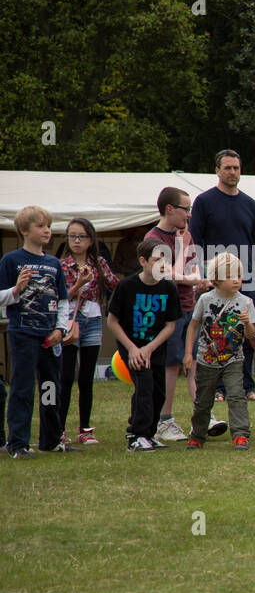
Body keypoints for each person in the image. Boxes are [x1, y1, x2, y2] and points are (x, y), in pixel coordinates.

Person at [188, 149, 255, 401]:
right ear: (217, 170)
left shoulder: (249, 204)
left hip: (245, 280)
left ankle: (247, 386)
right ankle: (218, 388)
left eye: (236, 167)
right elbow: (196, 241)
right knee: (216, 335)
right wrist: (202, 275)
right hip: (215, 281)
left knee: (247, 334)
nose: (232, 172)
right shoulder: (204, 202)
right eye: (227, 168)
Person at [0, 205, 72, 458]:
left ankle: (51, 440)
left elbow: (63, 300)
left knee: (51, 387)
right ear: (23, 230)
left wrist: (61, 329)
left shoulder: (53, 263)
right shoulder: (11, 260)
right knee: (23, 387)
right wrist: (16, 290)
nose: (47, 231)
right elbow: (1, 296)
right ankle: (18, 443)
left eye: (48, 226)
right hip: (23, 334)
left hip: (50, 337)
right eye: (40, 226)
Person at [146, 187, 211, 442]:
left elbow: (191, 273)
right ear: (170, 209)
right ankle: (165, 421)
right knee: (171, 364)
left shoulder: (187, 236)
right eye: (186, 209)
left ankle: (202, 416)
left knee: (193, 361)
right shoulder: (153, 237)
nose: (190, 215)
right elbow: (166, 274)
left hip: (188, 307)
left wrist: (192, 279)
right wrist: (189, 275)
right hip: (165, 311)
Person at [105, 239, 181, 451]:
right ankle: (136, 435)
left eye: (166, 259)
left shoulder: (169, 287)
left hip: (155, 348)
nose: (163, 264)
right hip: (132, 347)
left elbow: (170, 326)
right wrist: (132, 349)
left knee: (159, 391)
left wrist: (150, 348)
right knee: (144, 387)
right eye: (157, 259)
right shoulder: (126, 286)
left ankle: (149, 434)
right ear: (143, 261)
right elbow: (112, 321)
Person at [183, 253, 255, 450]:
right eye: (231, 276)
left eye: (239, 276)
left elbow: (251, 336)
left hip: (234, 360)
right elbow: (193, 326)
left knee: (236, 396)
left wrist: (248, 324)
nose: (237, 280)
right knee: (203, 400)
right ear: (216, 279)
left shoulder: (246, 302)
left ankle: (241, 435)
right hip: (206, 361)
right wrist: (188, 354)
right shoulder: (205, 300)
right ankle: (197, 435)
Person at [58, 217, 118, 446]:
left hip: (93, 318)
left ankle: (85, 429)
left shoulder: (99, 263)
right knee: (65, 376)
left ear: (91, 240)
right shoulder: (62, 266)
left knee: (87, 377)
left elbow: (115, 284)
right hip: (70, 319)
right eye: (72, 236)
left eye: (81, 237)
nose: (76, 241)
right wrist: (79, 284)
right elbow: (61, 296)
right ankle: (60, 429)